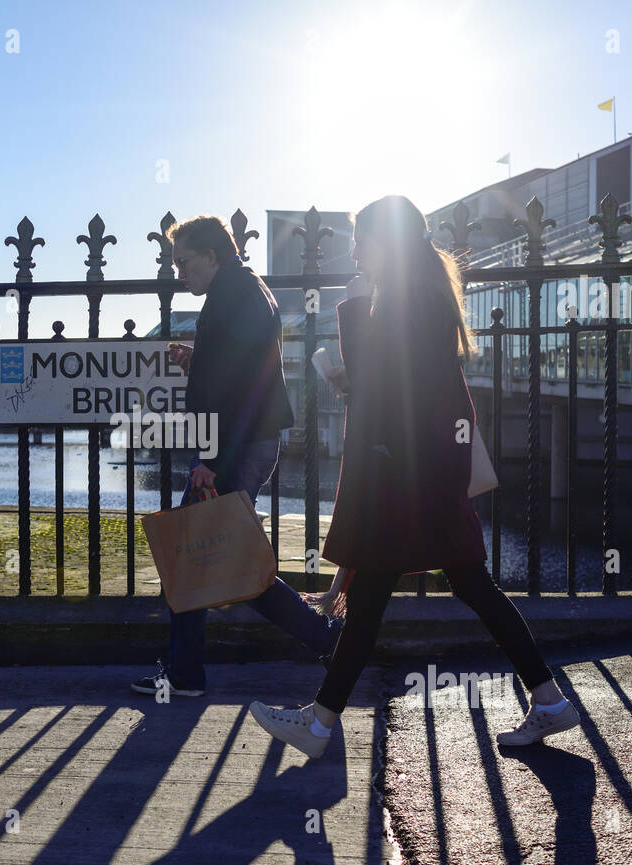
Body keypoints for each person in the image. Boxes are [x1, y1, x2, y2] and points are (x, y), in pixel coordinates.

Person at [248, 195, 580, 756]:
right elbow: (401, 376)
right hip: (423, 462)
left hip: (409, 467)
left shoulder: (403, 298)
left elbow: (386, 378)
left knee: (390, 593)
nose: (354, 249)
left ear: (387, 243)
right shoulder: (420, 292)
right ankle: (547, 699)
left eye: (361, 238)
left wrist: (351, 314)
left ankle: (321, 724)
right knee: (464, 587)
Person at [133, 215, 344, 697]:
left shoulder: (234, 294)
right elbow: (237, 370)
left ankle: (187, 675)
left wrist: (214, 459)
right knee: (228, 555)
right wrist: (199, 358)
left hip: (232, 446)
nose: (178, 272)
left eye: (183, 261)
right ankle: (320, 637)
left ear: (211, 255)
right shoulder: (242, 289)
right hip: (238, 443)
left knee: (196, 557)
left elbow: (244, 387)